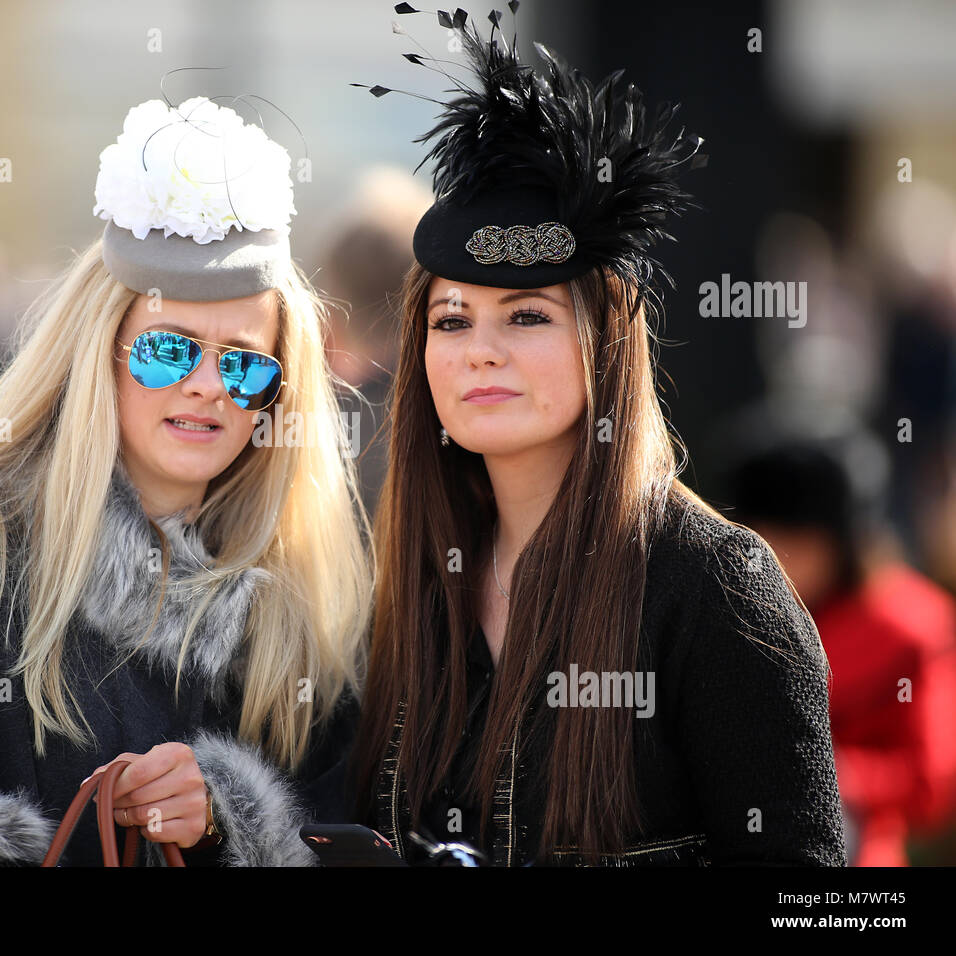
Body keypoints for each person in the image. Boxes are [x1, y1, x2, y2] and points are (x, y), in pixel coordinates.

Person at [0, 94, 372, 866]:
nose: (206, 385)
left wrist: (226, 824)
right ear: (100, 351)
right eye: (168, 349)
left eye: (244, 362)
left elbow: (340, 830)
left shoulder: (301, 615)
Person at [346, 6, 846, 866]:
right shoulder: (405, 573)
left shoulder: (714, 588)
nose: (482, 353)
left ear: (606, 340)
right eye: (451, 320)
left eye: (528, 315)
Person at [718, 410, 956, 865]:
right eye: (763, 538)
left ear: (844, 540)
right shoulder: (724, 606)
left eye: (798, 541)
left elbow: (928, 783)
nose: (780, 561)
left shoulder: (910, 626)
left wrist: (822, 769)